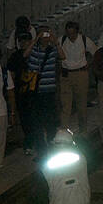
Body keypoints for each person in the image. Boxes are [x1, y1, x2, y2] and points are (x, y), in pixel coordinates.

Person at [25, 24, 62, 154]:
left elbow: (63, 56)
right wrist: (35, 39)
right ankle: (40, 146)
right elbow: (25, 54)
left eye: (47, 34)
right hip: (36, 92)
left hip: (49, 91)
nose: (45, 37)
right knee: (37, 121)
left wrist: (55, 41)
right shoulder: (35, 50)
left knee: (50, 119)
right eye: (43, 34)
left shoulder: (52, 50)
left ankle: (51, 141)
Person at [58, 21, 96, 135]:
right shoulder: (61, 40)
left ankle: (83, 131)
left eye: (73, 34)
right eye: (68, 34)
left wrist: (88, 65)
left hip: (81, 74)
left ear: (77, 32)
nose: (71, 37)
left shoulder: (84, 40)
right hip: (66, 74)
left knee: (81, 104)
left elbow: (95, 52)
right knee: (66, 105)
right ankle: (64, 131)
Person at [7, 33, 36, 155]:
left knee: (35, 119)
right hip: (21, 93)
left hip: (35, 93)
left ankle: (33, 142)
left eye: (26, 40)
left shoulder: (36, 54)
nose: (23, 43)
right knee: (25, 120)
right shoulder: (15, 56)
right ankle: (29, 142)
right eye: (21, 40)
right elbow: (11, 74)